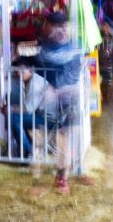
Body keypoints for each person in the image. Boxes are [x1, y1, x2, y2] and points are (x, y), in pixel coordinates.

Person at [35, 13, 86, 193]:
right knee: (42, 135)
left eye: (64, 26)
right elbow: (39, 68)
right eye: (57, 26)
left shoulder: (75, 47)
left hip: (68, 98)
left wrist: (54, 88)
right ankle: (43, 176)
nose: (61, 30)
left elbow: (71, 73)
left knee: (65, 135)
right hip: (48, 99)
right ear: (47, 27)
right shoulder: (44, 47)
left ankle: (63, 176)